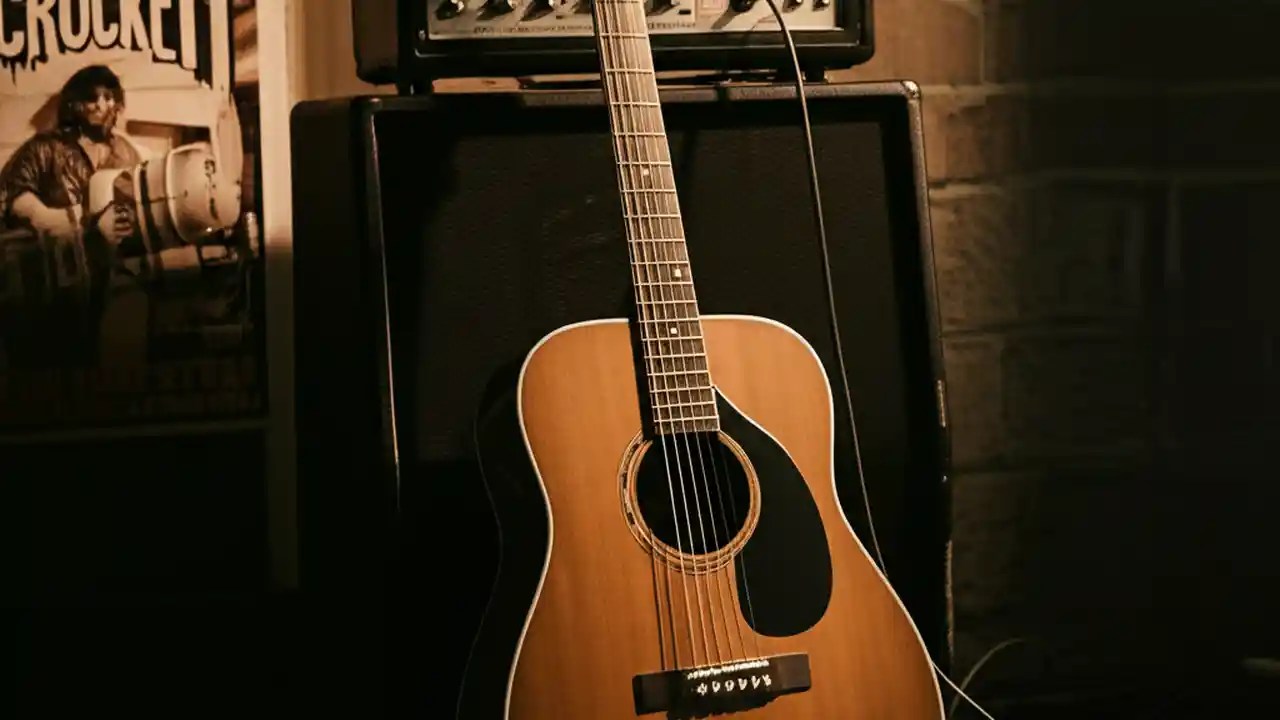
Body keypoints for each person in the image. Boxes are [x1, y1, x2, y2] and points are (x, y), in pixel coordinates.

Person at [0, 64, 146, 368]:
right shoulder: (46, 148)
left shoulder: (128, 154)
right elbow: (20, 205)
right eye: (92, 98)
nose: (102, 106)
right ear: (74, 104)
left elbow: (140, 213)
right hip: (44, 287)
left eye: (109, 97)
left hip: (106, 289)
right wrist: (86, 223)